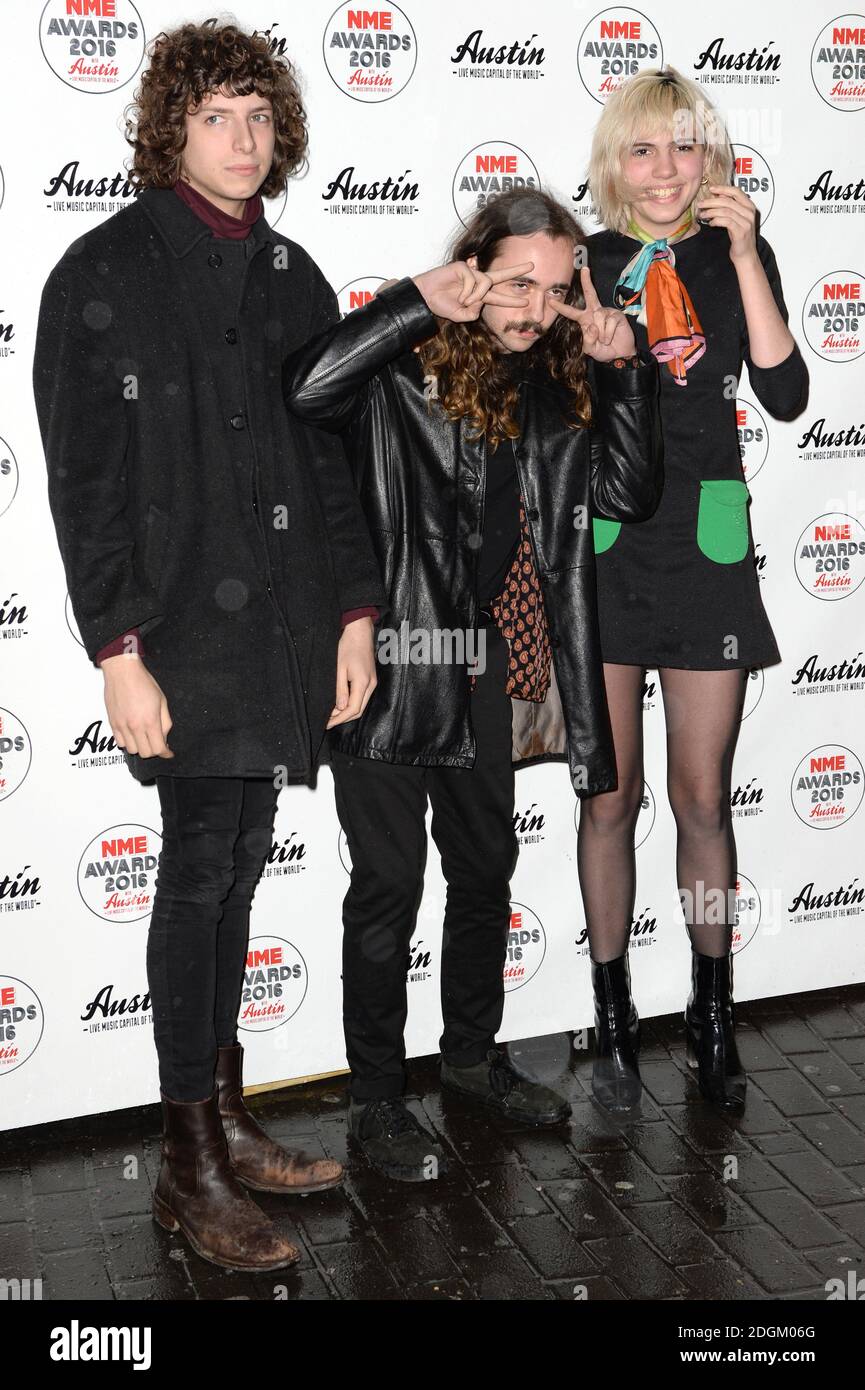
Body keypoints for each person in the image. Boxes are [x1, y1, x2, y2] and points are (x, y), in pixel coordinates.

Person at [32, 19, 385, 1271]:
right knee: (197, 874)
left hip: (286, 621)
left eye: (259, 116)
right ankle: (186, 1161)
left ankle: (225, 1115)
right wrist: (117, 647)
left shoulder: (294, 278)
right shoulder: (101, 271)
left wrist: (354, 613)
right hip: (176, 631)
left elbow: (333, 465)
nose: (244, 139)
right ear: (170, 130)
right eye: (218, 116)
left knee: (237, 867)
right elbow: (85, 480)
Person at [282, 187, 663, 1181]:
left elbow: (630, 490)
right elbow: (304, 388)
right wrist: (413, 302)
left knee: (484, 873)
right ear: (474, 265)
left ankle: (467, 1060)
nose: (533, 305)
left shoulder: (555, 382)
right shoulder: (400, 364)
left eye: (552, 286)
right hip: (390, 658)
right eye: (515, 280)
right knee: (388, 889)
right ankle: (374, 1100)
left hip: (483, 664)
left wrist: (628, 374)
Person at [579, 67, 808, 1116]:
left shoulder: (732, 258)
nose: (663, 170)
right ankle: (613, 1010)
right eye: (642, 149)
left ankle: (711, 1005)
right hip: (612, 551)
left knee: (701, 800)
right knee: (610, 798)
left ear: (708, 158)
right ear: (614, 163)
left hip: (708, 551)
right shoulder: (581, 265)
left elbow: (786, 390)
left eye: (681, 147)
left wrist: (750, 253)